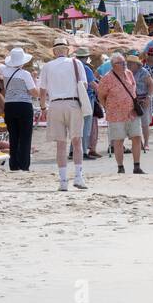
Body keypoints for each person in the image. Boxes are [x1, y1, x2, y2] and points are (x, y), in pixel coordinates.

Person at [38, 37, 89, 191]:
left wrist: (42, 108)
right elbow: (84, 85)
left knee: (61, 145)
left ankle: (63, 180)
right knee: (77, 142)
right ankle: (79, 177)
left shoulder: (47, 66)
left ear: (54, 51)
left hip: (54, 104)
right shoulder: (76, 63)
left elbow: (42, 90)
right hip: (73, 103)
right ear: (67, 50)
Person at [97, 54, 144, 174]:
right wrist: (108, 107)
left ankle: (136, 166)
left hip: (132, 112)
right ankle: (120, 167)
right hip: (115, 115)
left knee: (137, 137)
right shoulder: (107, 78)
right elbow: (101, 96)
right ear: (113, 65)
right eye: (121, 63)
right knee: (118, 141)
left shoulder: (129, 73)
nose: (124, 65)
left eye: (124, 62)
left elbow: (133, 89)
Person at [0, 47, 38, 171]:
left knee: (13, 136)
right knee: (25, 136)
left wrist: (6, 62)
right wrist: (35, 80)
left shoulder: (4, 71)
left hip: (9, 105)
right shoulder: (25, 74)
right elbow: (34, 93)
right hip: (24, 105)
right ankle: (24, 164)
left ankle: (14, 164)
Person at [73, 48, 100, 159]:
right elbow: (93, 85)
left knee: (76, 126)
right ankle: (83, 151)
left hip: (74, 98)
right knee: (86, 126)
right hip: (87, 99)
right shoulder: (86, 68)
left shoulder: (72, 67)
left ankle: (72, 151)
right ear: (85, 57)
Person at [129, 54, 153, 147]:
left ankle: (146, 143)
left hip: (144, 99)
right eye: (128, 63)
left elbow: (151, 85)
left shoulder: (144, 72)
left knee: (144, 123)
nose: (129, 65)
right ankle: (138, 143)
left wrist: (148, 97)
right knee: (134, 124)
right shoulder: (127, 72)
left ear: (136, 64)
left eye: (131, 63)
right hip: (133, 100)